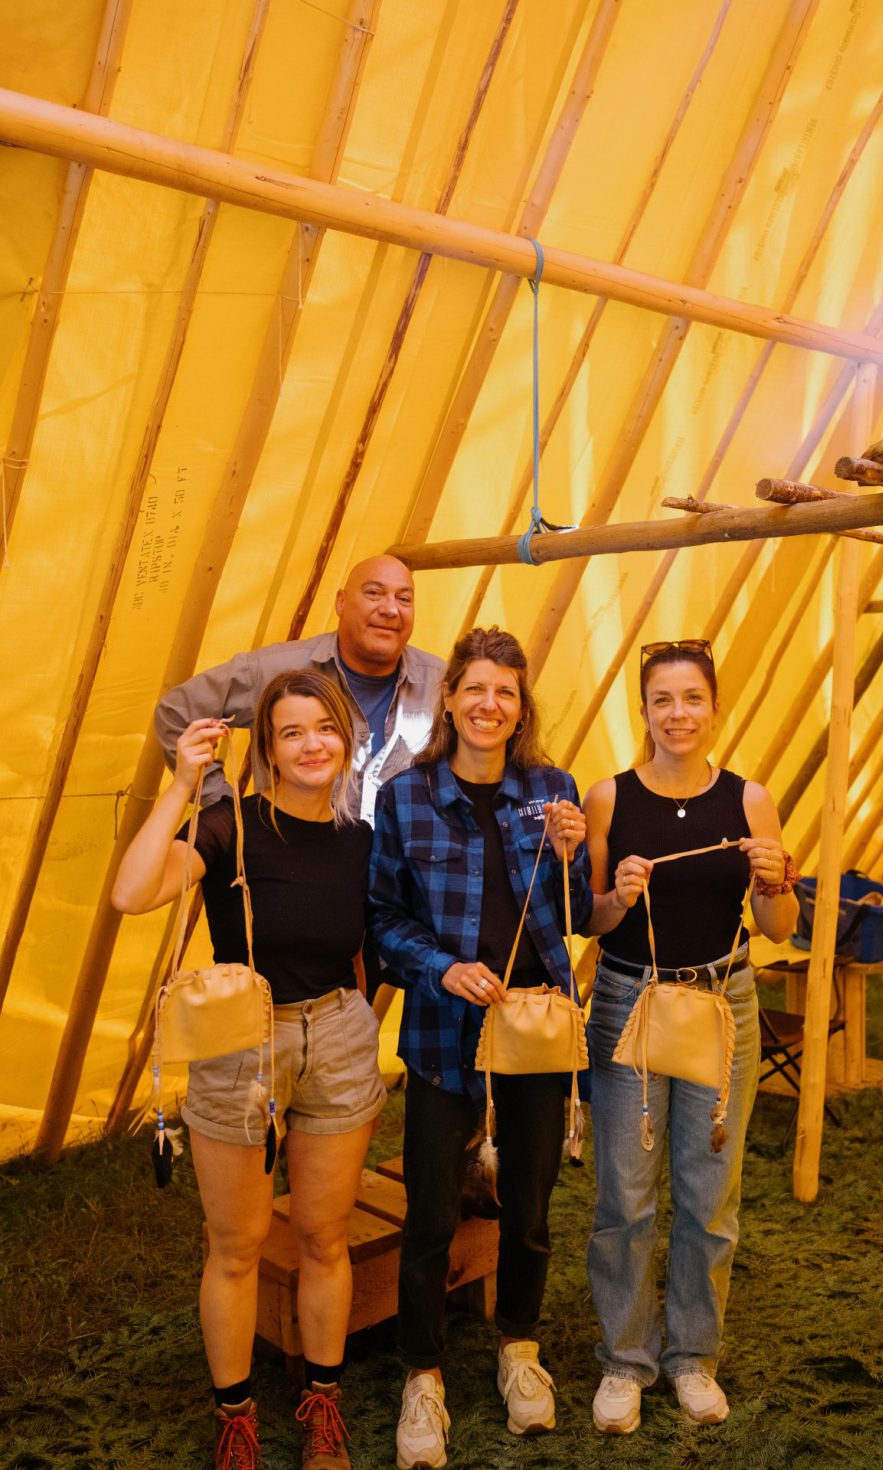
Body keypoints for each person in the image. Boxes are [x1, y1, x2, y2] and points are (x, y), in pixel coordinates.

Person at [113, 670, 386, 1470]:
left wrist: (361, 1017)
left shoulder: (359, 839)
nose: (312, 744)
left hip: (335, 1036)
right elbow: (132, 893)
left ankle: (322, 1408)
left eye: (325, 728)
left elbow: (365, 940)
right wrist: (181, 785)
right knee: (235, 1244)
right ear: (267, 748)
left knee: (323, 1236)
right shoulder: (229, 827)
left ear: (346, 738)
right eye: (292, 731)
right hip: (242, 1040)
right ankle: (237, 1418)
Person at [369, 627, 614, 1470]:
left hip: (537, 1029)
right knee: (432, 1212)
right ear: (449, 700)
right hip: (443, 1029)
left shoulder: (550, 790)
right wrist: (441, 966)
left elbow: (576, 916)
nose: (488, 704)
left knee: (532, 1208)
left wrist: (577, 856)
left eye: (505, 692)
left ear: (521, 708)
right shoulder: (404, 798)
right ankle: (422, 1375)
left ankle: (519, 1349)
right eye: (475, 688)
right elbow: (382, 922)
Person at [582, 639, 799, 1433]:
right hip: (628, 1002)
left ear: (715, 707)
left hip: (721, 1004)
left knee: (709, 1195)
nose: (679, 714)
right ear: (643, 712)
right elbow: (592, 920)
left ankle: (693, 1358)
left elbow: (777, 926)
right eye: (662, 700)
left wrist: (779, 877)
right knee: (626, 1193)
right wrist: (617, 894)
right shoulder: (608, 798)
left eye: (692, 699)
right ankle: (624, 1361)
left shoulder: (749, 800)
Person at [154, 554, 444, 826]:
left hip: (399, 873)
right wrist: (233, 810)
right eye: (373, 593)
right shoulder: (274, 671)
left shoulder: (442, 684)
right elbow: (177, 713)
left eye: (404, 598)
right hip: (290, 865)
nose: (390, 609)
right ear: (341, 602)